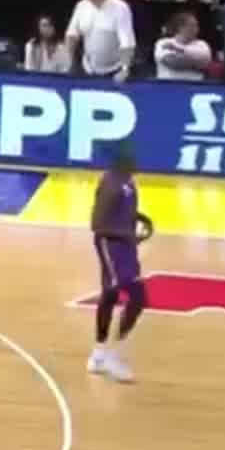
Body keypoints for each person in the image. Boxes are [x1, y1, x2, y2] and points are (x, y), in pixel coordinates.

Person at [89, 143, 151, 384]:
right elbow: (98, 224)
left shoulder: (128, 182)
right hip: (111, 245)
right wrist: (127, 235)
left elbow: (124, 211)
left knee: (129, 298)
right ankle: (106, 356)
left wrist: (137, 219)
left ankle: (101, 355)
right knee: (121, 295)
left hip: (125, 247)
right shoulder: (111, 184)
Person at [65, 0, 136, 81]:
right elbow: (72, 35)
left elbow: (127, 41)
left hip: (114, 69)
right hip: (87, 68)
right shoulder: (82, 6)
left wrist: (125, 69)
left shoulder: (121, 8)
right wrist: (69, 61)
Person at [154, 11, 213, 81]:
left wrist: (178, 49)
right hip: (169, 86)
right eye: (192, 26)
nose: (196, 29)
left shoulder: (202, 44)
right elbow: (172, 62)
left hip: (196, 86)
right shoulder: (163, 42)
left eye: (197, 26)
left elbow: (205, 62)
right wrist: (196, 62)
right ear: (180, 27)